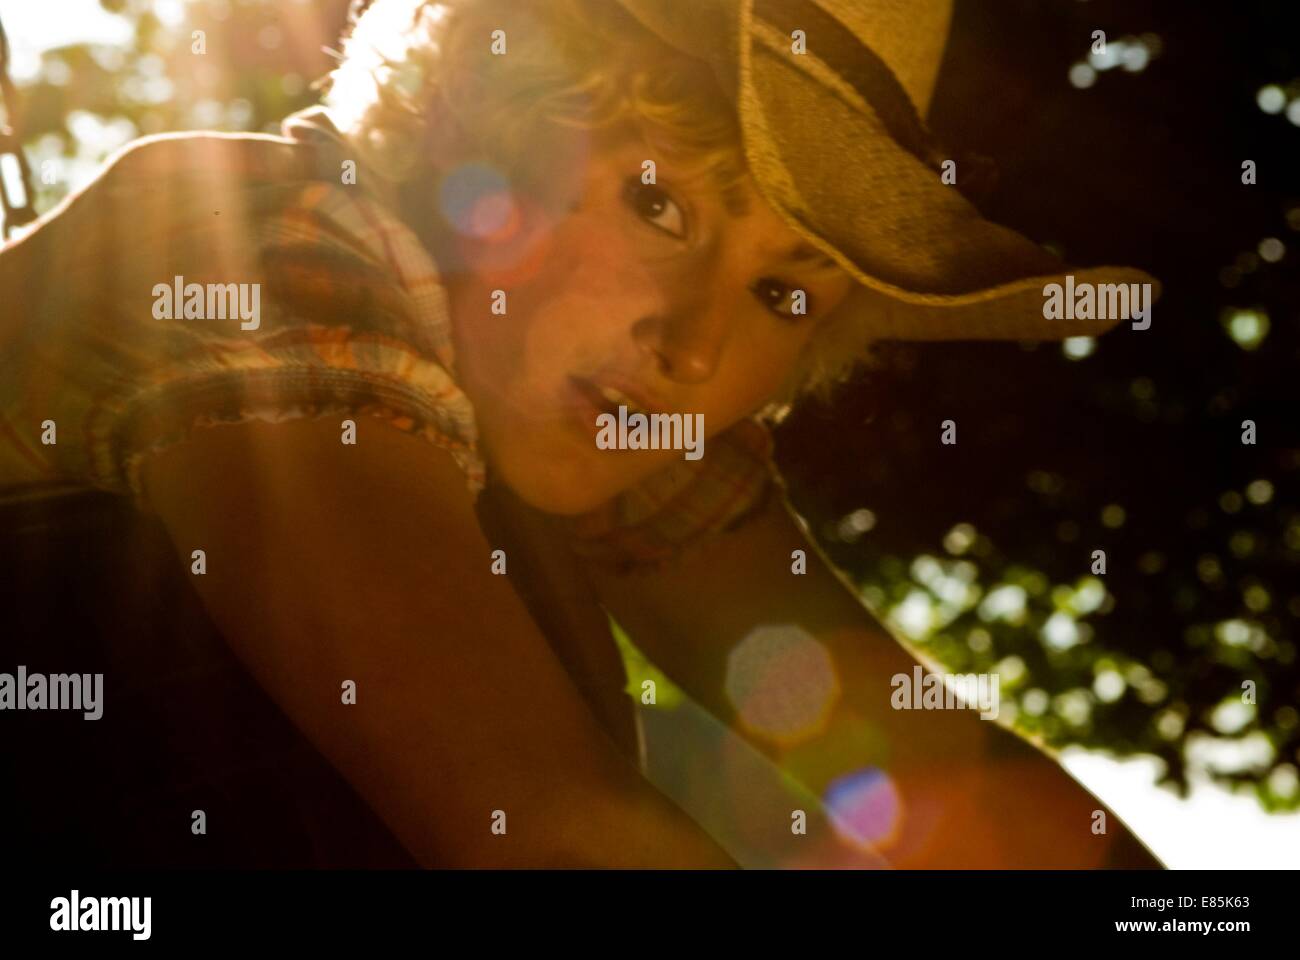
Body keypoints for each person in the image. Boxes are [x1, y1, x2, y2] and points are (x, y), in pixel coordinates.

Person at [0, 0, 1163, 868]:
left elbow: (949, 791)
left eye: (783, 296)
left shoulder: (581, 404)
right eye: (660, 205)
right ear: (470, 116)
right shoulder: (244, 245)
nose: (696, 348)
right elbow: (550, 834)